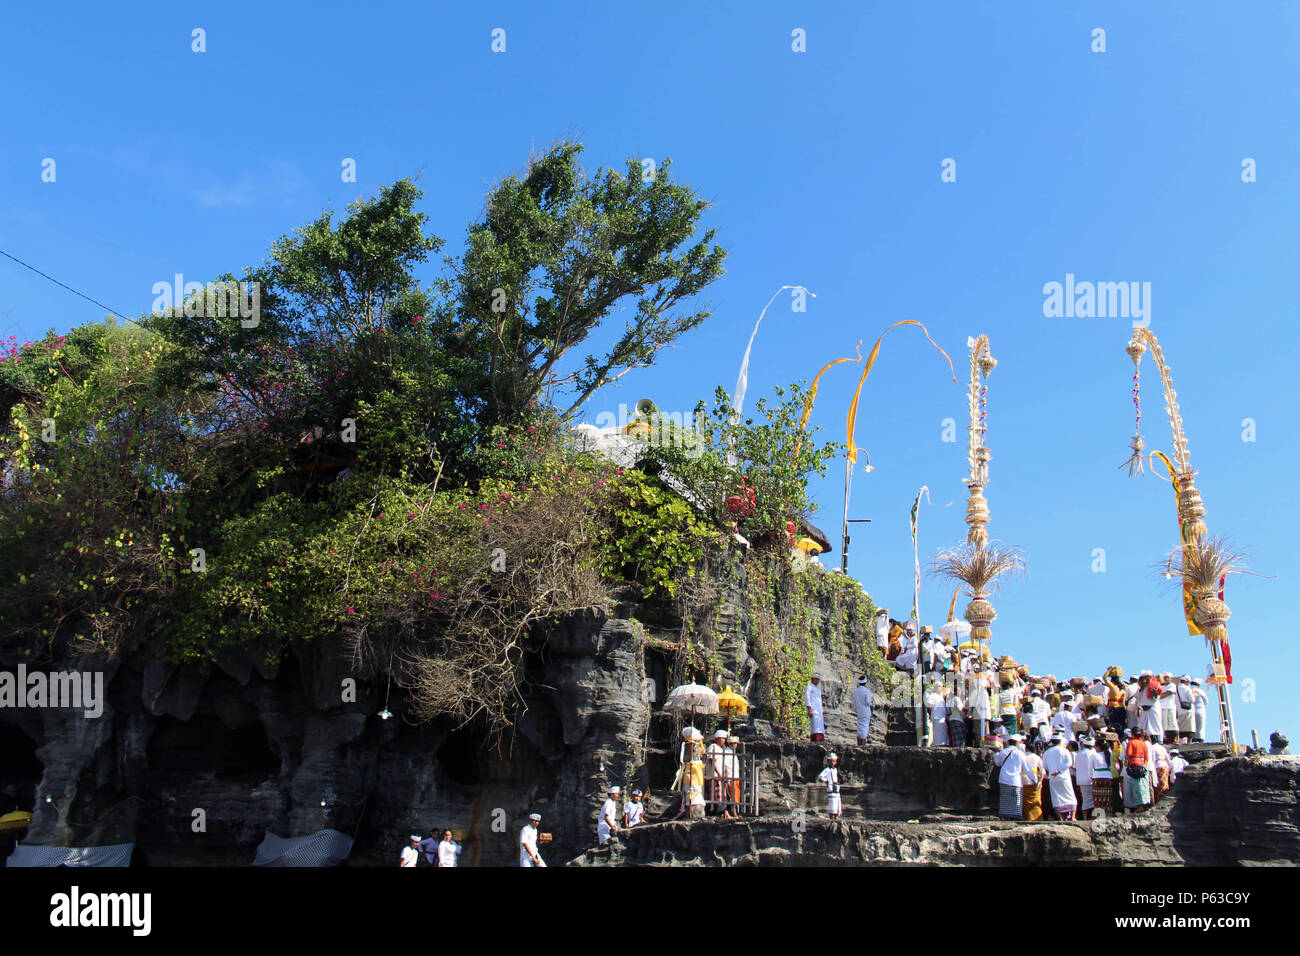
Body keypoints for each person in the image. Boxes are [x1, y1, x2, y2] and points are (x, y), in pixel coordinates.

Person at [993, 733, 1030, 818]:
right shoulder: (1019, 753)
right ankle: (1015, 816)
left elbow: (997, 763)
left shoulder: (1003, 751)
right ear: (1017, 743)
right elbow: (1027, 768)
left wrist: (996, 753)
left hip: (1003, 778)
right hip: (1015, 780)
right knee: (1015, 800)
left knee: (1005, 799)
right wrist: (1034, 780)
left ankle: (1005, 816)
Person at [1043, 734, 1077, 820]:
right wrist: (1059, 770)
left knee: (1056, 798)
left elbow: (1045, 766)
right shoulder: (1065, 751)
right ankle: (1073, 816)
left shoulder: (1047, 752)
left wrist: (1054, 771)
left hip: (1053, 778)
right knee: (1070, 796)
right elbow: (1069, 763)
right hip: (1064, 777)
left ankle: (1061, 818)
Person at [1122, 730, 1153, 813]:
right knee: (1144, 786)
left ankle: (1140, 806)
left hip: (1134, 765)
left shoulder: (1131, 742)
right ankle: (1145, 804)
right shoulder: (1143, 743)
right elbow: (1147, 757)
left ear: (1132, 734)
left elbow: (1128, 754)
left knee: (1136, 787)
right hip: (1143, 765)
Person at [1074, 737, 1101, 819]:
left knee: (1086, 799)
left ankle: (1085, 817)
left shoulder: (1078, 753)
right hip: (1091, 779)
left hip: (1081, 780)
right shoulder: (1093, 753)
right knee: (1094, 799)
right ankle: (1094, 817)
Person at [1022, 738, 1045, 821]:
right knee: (1036, 802)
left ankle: (1027, 818)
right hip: (1034, 782)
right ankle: (1037, 819)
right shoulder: (1036, 757)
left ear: (1026, 748)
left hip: (1023, 782)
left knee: (1025, 803)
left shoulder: (1023, 757)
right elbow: (1042, 771)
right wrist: (1040, 781)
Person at [1091, 735, 1115, 816]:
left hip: (1097, 776)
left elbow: (1090, 768)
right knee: (1107, 797)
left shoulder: (1094, 755)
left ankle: (1099, 815)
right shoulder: (1109, 754)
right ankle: (1108, 814)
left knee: (1098, 798)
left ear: (1098, 747)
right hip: (1108, 776)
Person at [705, 730, 728, 810]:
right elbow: (712, 761)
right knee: (716, 794)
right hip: (714, 775)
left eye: (725, 739)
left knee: (721, 794)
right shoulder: (713, 747)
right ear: (717, 738)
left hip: (720, 775)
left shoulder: (722, 749)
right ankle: (717, 810)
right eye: (722, 739)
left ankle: (722, 810)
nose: (724, 741)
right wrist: (718, 772)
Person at [818, 752, 842, 819]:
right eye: (831, 761)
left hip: (836, 787)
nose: (832, 762)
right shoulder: (827, 770)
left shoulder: (835, 770)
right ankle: (831, 816)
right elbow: (821, 776)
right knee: (832, 802)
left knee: (837, 802)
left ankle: (836, 816)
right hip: (831, 787)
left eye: (833, 761)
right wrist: (827, 781)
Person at [852, 676, 874, 745]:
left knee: (860, 727)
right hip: (866, 711)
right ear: (865, 682)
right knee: (865, 727)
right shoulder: (867, 691)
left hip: (859, 711)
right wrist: (871, 702)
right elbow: (868, 702)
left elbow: (854, 703)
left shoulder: (855, 692)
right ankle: (863, 743)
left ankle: (859, 743)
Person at [805, 674, 826, 742]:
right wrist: (809, 709)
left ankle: (820, 740)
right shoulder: (809, 687)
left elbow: (819, 701)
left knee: (820, 727)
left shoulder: (817, 690)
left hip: (819, 711)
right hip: (813, 710)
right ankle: (815, 740)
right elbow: (807, 698)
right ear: (813, 679)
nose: (817, 681)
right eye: (816, 679)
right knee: (815, 727)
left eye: (818, 679)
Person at [1175, 675, 1195, 743]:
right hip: (1188, 710)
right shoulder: (1187, 688)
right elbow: (1192, 699)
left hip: (1180, 710)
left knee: (1181, 727)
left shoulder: (1176, 688)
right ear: (1186, 681)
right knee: (1189, 728)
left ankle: (1180, 741)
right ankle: (1190, 742)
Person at [1159, 673, 1178, 744]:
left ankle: (1175, 738)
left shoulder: (1172, 685)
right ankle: (1167, 738)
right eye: (1165, 677)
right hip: (1163, 707)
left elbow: (1166, 694)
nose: (1166, 679)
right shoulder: (1162, 687)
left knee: (1172, 722)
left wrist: (1162, 695)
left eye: (1167, 677)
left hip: (1170, 706)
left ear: (1170, 678)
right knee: (1164, 724)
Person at [1150, 739, 1171, 804]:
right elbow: (1168, 759)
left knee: (1158, 785)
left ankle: (1160, 801)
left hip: (1157, 766)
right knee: (1165, 784)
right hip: (1165, 766)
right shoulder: (1162, 747)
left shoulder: (1152, 748)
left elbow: (1153, 759)